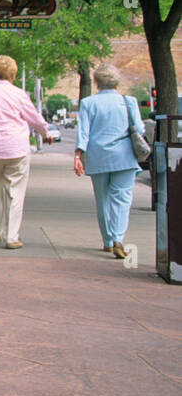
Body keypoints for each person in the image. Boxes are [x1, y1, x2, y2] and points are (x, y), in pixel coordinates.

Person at [0, 55, 53, 249]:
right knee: (15, 191)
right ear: (14, 75)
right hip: (16, 148)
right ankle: (11, 236)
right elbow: (34, 117)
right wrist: (46, 133)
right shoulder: (18, 94)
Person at [74, 64, 145, 259]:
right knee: (122, 198)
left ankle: (107, 241)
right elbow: (140, 128)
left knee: (103, 199)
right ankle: (118, 238)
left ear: (96, 82)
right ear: (117, 82)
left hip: (98, 157)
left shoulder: (88, 103)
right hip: (124, 156)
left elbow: (83, 133)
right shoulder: (129, 101)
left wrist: (78, 155)